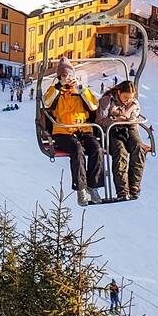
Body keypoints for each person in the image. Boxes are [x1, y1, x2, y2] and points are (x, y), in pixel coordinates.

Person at [43, 57, 104, 206]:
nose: (67, 79)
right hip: (63, 131)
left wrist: (82, 89)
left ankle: (93, 186)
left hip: (83, 129)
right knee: (77, 150)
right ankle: (81, 188)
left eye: (69, 75)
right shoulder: (55, 90)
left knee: (97, 148)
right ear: (59, 77)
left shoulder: (81, 89)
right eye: (63, 76)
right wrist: (59, 87)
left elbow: (94, 106)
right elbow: (46, 102)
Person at [98, 80, 146, 200]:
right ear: (118, 92)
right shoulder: (107, 100)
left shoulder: (133, 103)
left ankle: (134, 186)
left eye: (130, 98)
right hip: (112, 130)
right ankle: (122, 190)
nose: (128, 100)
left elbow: (135, 115)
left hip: (128, 129)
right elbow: (99, 120)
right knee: (120, 152)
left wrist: (129, 118)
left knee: (139, 148)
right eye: (125, 97)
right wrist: (114, 121)